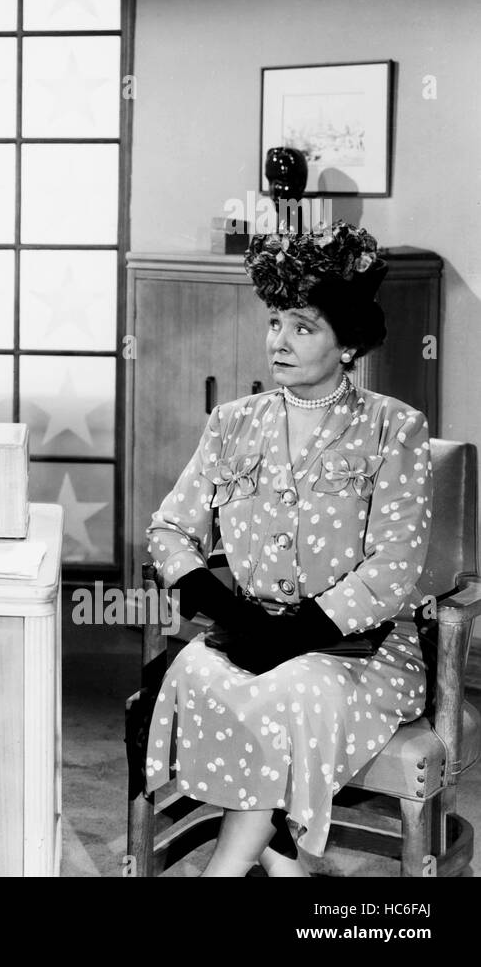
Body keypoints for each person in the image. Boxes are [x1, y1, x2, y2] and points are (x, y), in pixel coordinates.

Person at [142, 222, 431, 875]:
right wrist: (233, 614)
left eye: (303, 328)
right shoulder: (233, 423)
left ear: (349, 341)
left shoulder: (395, 428)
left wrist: (298, 632)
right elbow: (169, 531)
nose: (279, 341)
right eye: (276, 323)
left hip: (360, 649)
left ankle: (231, 865)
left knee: (293, 688)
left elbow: (395, 566)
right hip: (250, 630)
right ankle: (278, 858)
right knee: (196, 669)